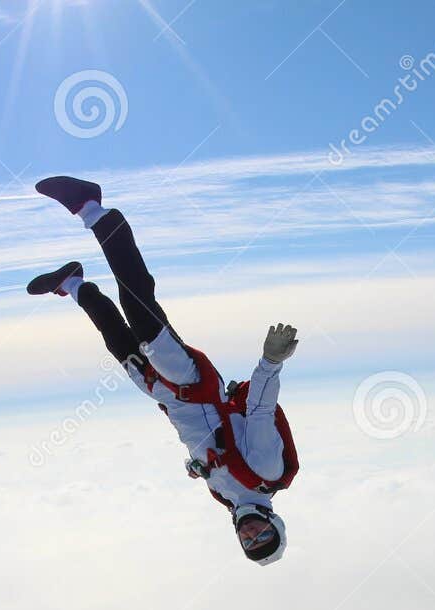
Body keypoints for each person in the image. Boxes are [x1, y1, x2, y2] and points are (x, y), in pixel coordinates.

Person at [26, 176, 300, 566]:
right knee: (138, 303)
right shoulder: (266, 474)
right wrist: (271, 363)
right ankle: (90, 207)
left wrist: (198, 464)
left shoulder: (227, 497)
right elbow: (258, 411)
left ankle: (72, 282)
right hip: (191, 383)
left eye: (249, 543)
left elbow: (211, 446)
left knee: (116, 337)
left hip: (167, 396)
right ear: (276, 524)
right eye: (263, 537)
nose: (251, 535)